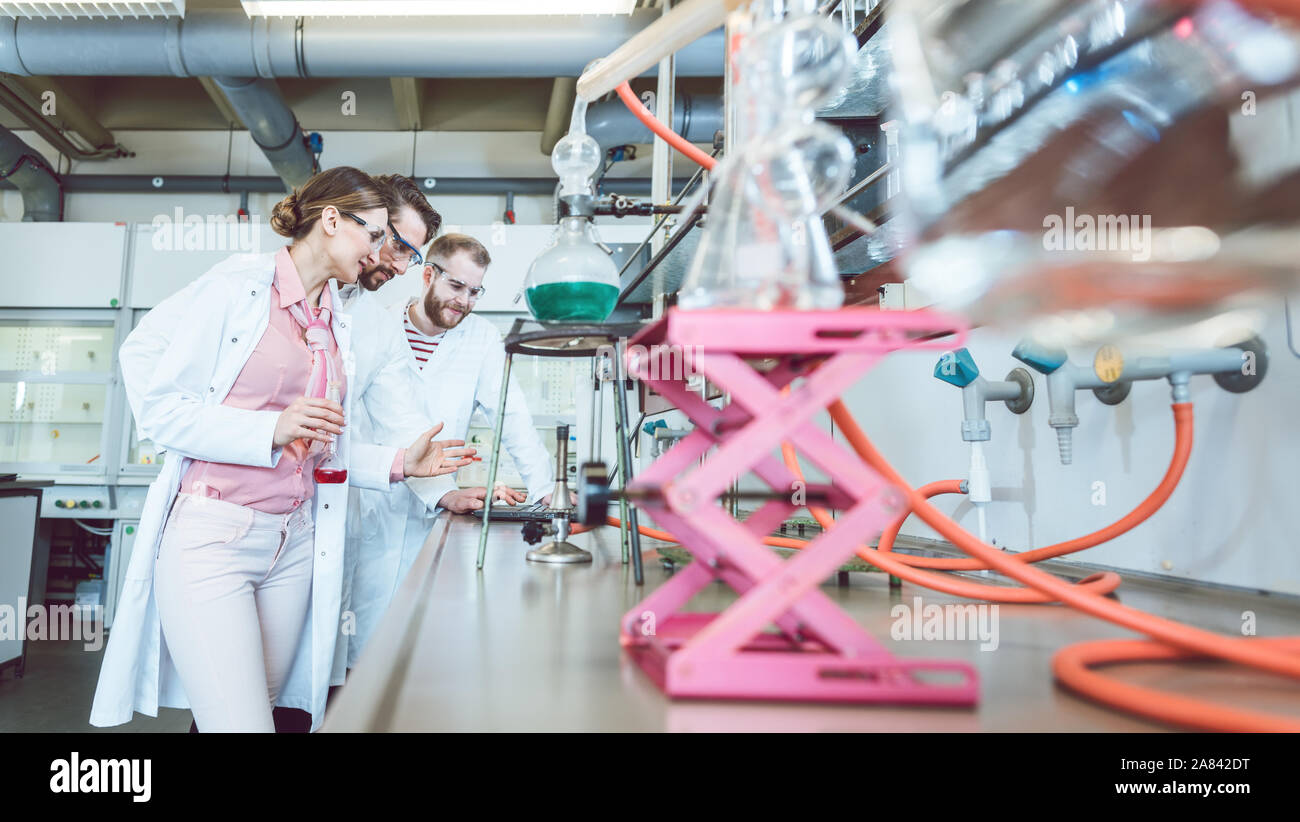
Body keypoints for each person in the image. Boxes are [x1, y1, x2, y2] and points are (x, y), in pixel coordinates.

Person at [89, 166, 472, 733]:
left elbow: (353, 439)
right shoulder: (240, 286)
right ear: (341, 220)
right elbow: (156, 381)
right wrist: (255, 430)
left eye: (412, 255)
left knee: (264, 714)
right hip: (218, 526)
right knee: (240, 721)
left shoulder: (342, 318)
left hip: (296, 537)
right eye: (389, 240)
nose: (393, 261)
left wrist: (423, 478)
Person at [344, 233, 565, 670]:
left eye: (475, 291)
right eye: (456, 287)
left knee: (429, 653)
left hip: (435, 513)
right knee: (360, 650)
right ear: (428, 275)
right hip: (375, 504)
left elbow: (511, 415)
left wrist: (547, 491)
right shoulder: (376, 326)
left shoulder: (480, 338)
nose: (464, 301)